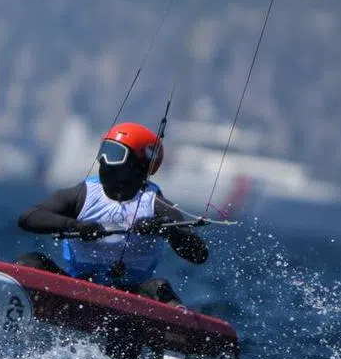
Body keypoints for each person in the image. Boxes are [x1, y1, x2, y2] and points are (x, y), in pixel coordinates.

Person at [16, 121, 207, 304]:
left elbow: (199, 255)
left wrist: (167, 229)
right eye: (104, 151)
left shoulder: (158, 205)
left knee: (159, 287)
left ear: (139, 163)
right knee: (30, 262)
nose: (105, 161)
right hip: (75, 288)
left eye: (115, 154)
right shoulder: (82, 194)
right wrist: (76, 226)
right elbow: (28, 218)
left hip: (130, 297)